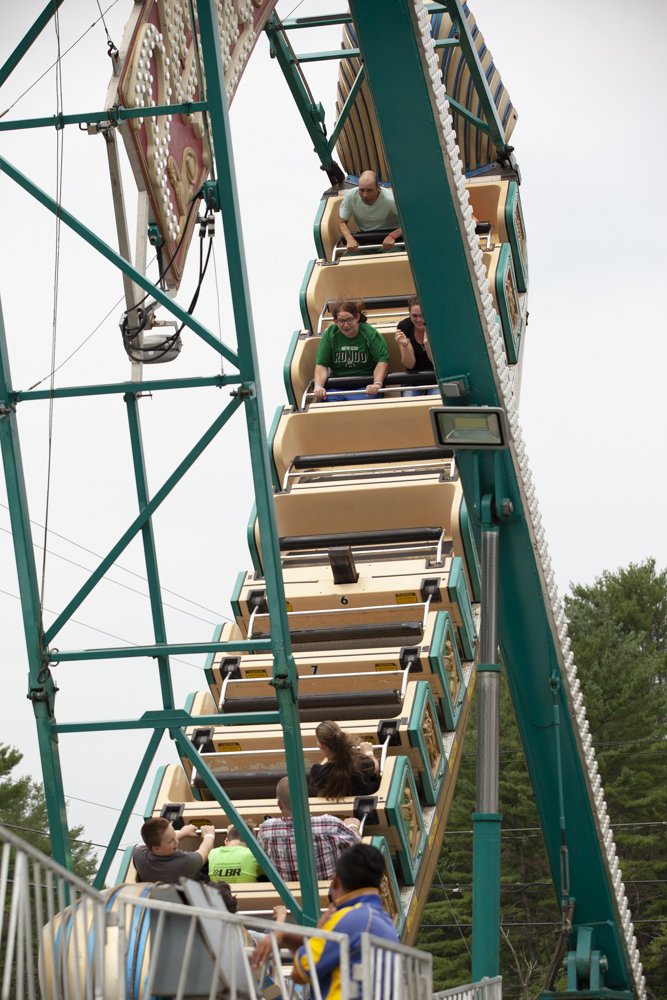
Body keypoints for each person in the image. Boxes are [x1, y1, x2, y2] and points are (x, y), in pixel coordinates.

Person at [251, 843, 399, 999]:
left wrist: (320, 928)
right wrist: (283, 936)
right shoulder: (381, 920)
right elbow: (327, 948)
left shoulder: (348, 917)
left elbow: (300, 973)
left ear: (335, 881)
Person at [258, 777, 361, 881]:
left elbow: (263, 859)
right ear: (306, 800)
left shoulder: (266, 830)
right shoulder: (331, 824)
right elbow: (358, 847)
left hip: (286, 895)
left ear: (279, 804)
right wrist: (353, 826)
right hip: (329, 893)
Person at [313, 300, 389, 403]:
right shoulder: (330, 334)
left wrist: (377, 383)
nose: (346, 325)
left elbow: (382, 360)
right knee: (325, 401)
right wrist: (318, 387)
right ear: (335, 321)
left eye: (349, 319)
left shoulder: (369, 334)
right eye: (341, 321)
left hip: (364, 386)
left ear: (357, 318)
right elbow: (322, 364)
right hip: (337, 386)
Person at [309, 721, 380, 800]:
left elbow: (324, 767)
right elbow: (376, 768)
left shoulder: (317, 772)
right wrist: (369, 753)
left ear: (321, 745)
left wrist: (326, 759)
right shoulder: (363, 762)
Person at [132, 818, 216, 883]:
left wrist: (183, 833)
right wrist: (209, 835)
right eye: (171, 841)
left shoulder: (138, 854)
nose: (177, 841)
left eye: (174, 835)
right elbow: (206, 850)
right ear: (156, 849)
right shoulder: (188, 862)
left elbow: (142, 847)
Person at [338, 171, 403, 251]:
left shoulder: (390, 199)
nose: (365, 195)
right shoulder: (351, 196)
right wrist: (349, 238)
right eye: (362, 190)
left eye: (369, 190)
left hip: (392, 239)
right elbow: (342, 223)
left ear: (378, 188)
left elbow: (411, 222)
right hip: (365, 239)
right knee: (348, 259)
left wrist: (393, 235)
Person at [394, 297, 438, 397]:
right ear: (409, 314)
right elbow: (410, 365)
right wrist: (405, 345)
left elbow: (437, 363)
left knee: (437, 398)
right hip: (413, 378)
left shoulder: (436, 325)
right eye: (414, 316)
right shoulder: (404, 326)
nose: (419, 320)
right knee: (408, 399)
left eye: (422, 316)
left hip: (436, 378)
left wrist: (427, 344)